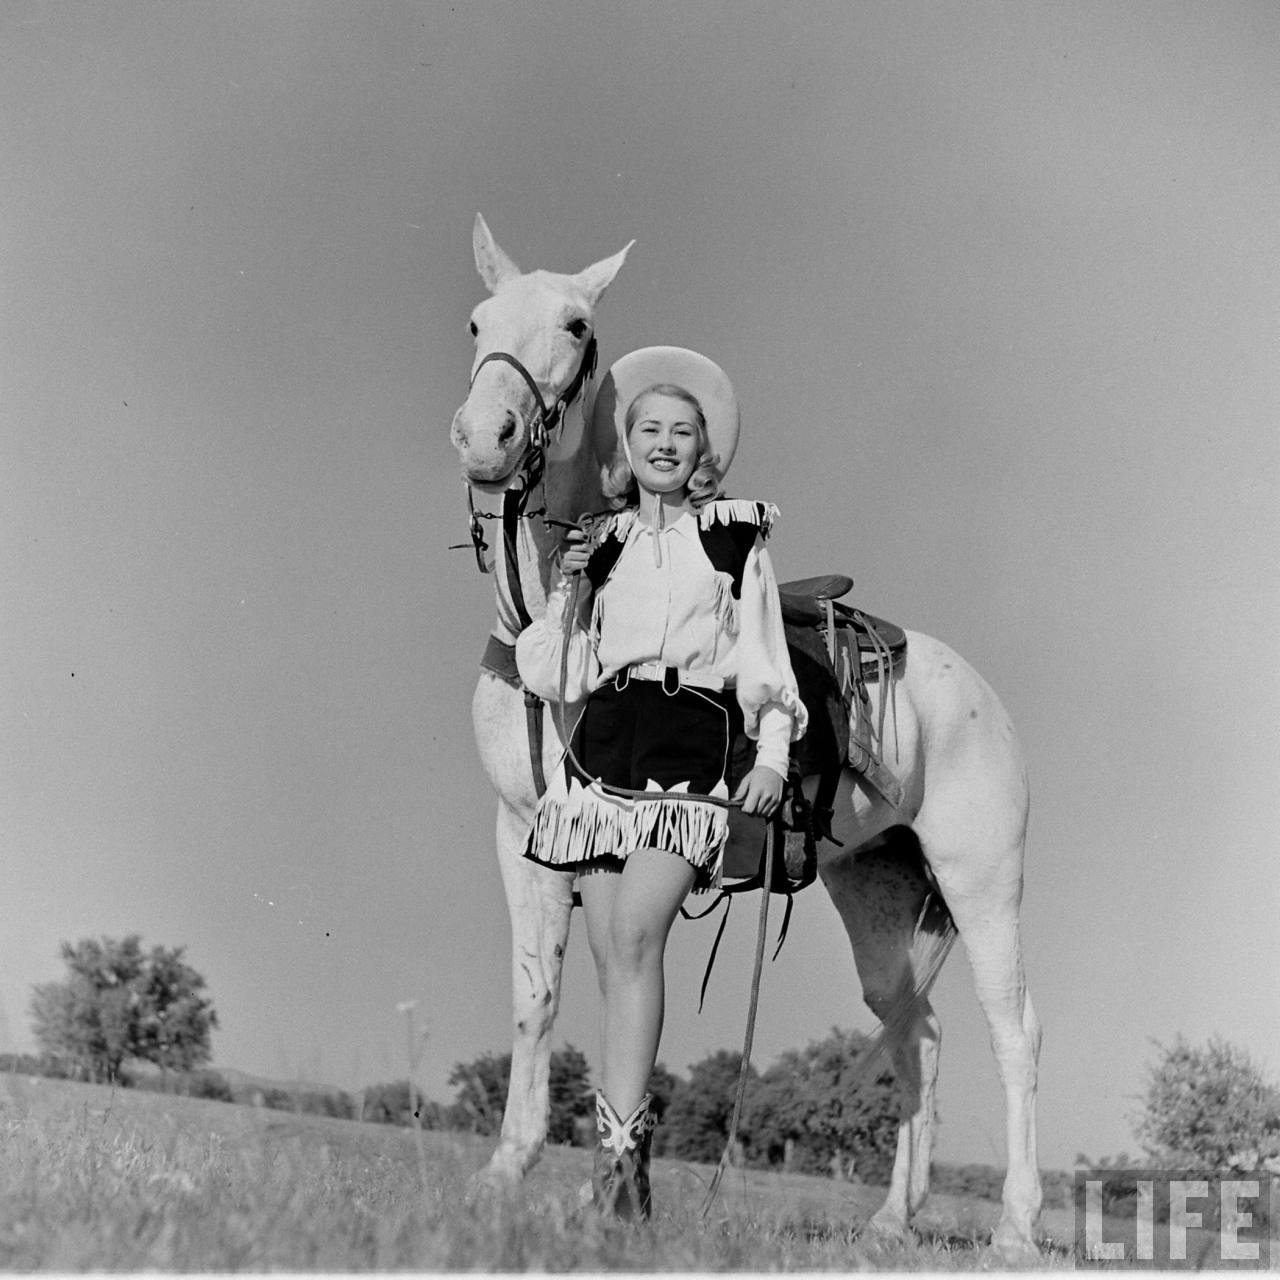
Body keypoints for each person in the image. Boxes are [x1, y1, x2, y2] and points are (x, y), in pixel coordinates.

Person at [515, 346, 807, 1220]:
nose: (666, 444)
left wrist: (772, 756)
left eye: (683, 432)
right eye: (650, 430)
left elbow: (763, 655)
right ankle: (623, 1182)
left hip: (691, 749)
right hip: (604, 749)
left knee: (638, 936)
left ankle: (614, 1181)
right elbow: (562, 675)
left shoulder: (732, 538)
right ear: (626, 446)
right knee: (611, 960)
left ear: (703, 450)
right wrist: (566, 597)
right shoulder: (596, 547)